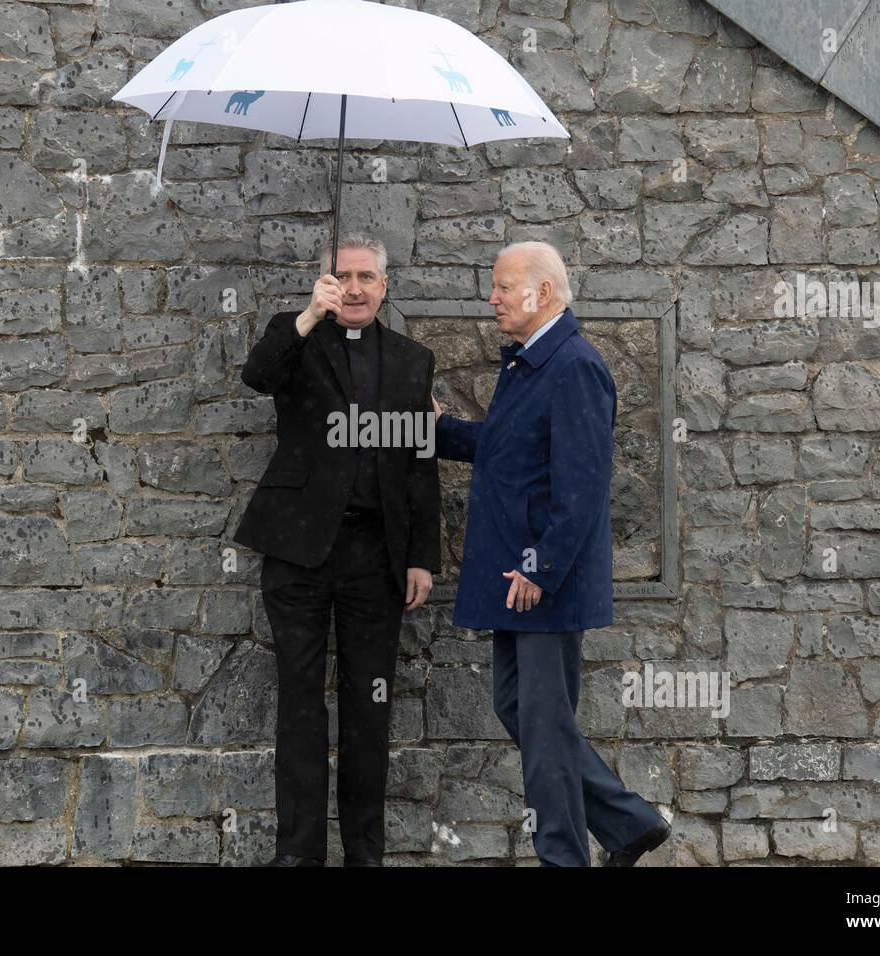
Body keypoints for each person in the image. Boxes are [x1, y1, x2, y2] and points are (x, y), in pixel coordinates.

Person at [432, 241, 671, 867]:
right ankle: (630, 823)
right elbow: (507, 445)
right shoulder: (529, 364)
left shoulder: (574, 367)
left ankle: (565, 858)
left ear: (542, 292)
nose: (493, 298)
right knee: (520, 710)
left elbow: (584, 485)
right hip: (519, 579)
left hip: (540, 581)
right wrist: (440, 432)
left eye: (503, 287)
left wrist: (541, 567)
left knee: (542, 732)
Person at [234, 234, 440, 866]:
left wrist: (422, 556)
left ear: (384, 286)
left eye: (365, 278)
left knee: (369, 704)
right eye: (342, 277)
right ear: (326, 283)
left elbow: (420, 464)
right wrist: (305, 316)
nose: (354, 288)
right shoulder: (293, 339)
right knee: (299, 700)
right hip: (298, 550)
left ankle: (365, 854)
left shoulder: (413, 359)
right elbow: (255, 375)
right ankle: (297, 854)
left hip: (375, 557)